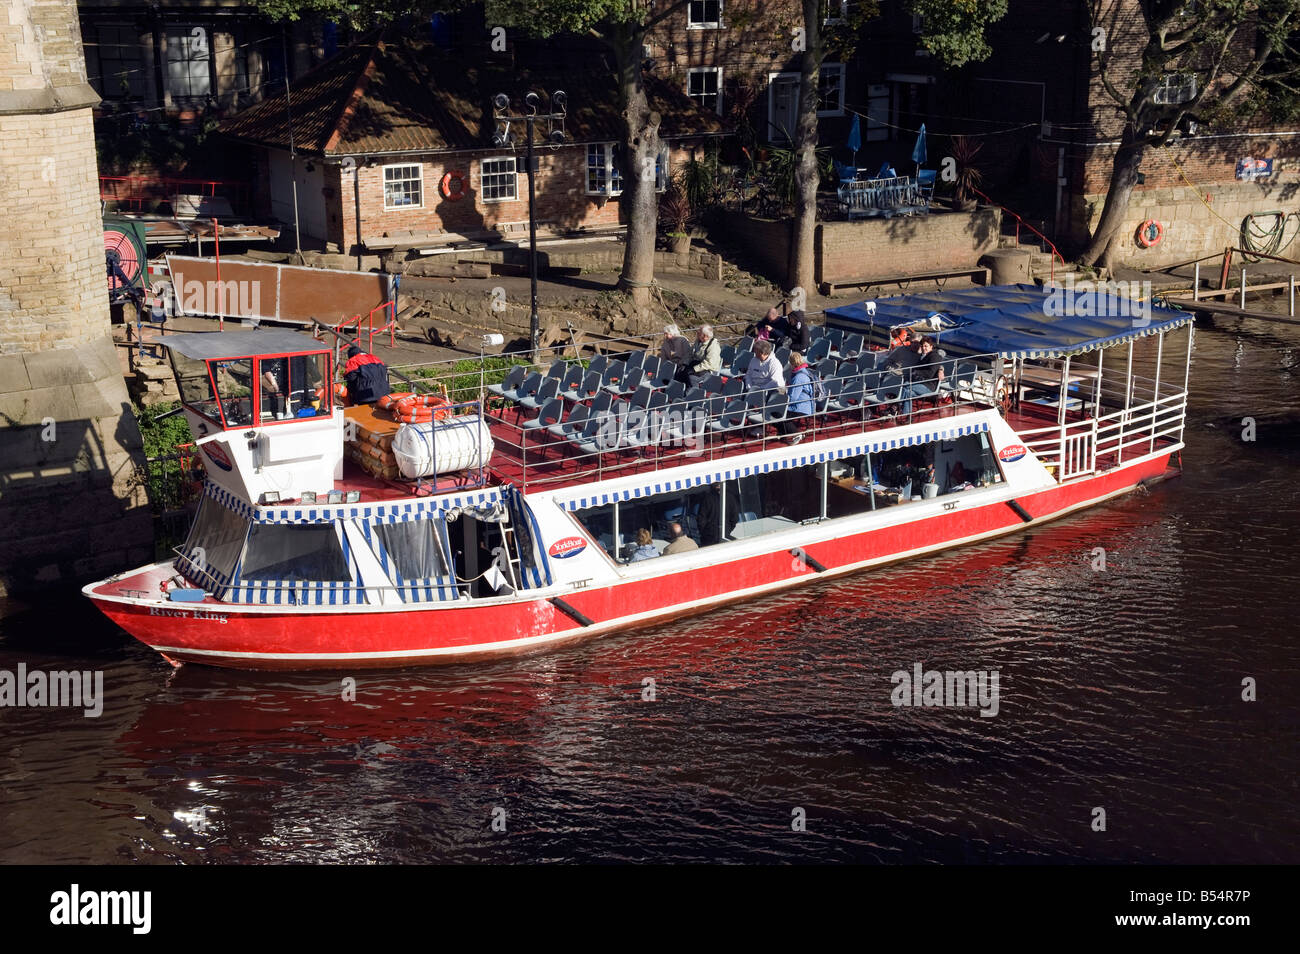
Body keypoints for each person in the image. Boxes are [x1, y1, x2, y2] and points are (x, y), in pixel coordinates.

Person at [779, 351, 814, 443]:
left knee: (779, 414)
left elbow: (792, 398)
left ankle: (796, 433)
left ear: (792, 364)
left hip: (801, 407)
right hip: (804, 405)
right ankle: (783, 433)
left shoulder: (798, 377)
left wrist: (783, 399)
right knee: (778, 412)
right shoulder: (804, 372)